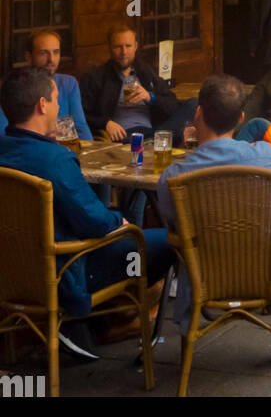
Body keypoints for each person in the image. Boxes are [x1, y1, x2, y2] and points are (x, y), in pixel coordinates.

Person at [0, 67, 172, 361]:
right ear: (42, 105)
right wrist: (121, 222)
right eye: (55, 100)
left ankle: (100, 322)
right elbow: (93, 222)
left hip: (12, 272)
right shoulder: (54, 160)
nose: (57, 107)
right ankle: (93, 321)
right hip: (64, 274)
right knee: (168, 240)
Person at [156, 74, 271, 330]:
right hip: (265, 274)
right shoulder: (267, 159)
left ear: (198, 113)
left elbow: (170, 222)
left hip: (207, 278)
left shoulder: (174, 177)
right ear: (241, 118)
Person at [80, 24, 181, 225]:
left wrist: (150, 97)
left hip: (154, 132)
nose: (123, 52)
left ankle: (139, 226)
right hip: (125, 136)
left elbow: (172, 103)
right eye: (118, 46)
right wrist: (105, 123)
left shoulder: (145, 73)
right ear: (110, 48)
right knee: (144, 169)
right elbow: (81, 112)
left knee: (192, 106)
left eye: (128, 46)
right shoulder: (97, 77)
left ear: (136, 46)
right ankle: (158, 224)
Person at [0, 30, 92, 138]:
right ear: (28, 57)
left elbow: (81, 129)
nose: (51, 60)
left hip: (65, 150)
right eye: (43, 53)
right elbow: (4, 134)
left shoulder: (69, 83)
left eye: (56, 52)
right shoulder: (14, 87)